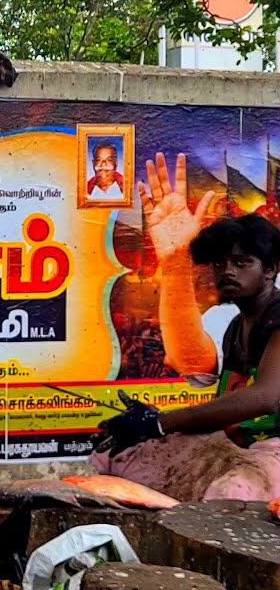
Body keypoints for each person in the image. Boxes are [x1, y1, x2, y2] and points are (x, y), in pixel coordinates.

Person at [92, 152, 280, 501]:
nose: (228, 272)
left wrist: (162, 423)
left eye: (241, 263)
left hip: (273, 455)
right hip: (240, 448)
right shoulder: (235, 325)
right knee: (117, 455)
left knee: (232, 490)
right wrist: (148, 425)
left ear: (269, 269)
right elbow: (197, 366)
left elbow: (265, 397)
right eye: (221, 263)